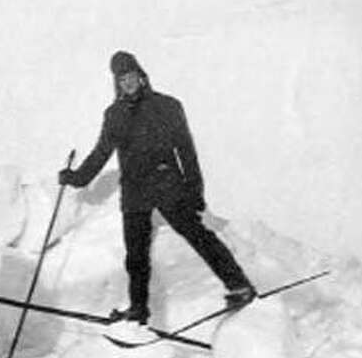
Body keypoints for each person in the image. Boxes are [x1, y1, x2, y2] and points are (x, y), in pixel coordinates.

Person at [58, 50, 255, 324]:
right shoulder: (114, 115)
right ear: (116, 83)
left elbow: (186, 150)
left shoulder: (167, 106)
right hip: (134, 192)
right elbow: (101, 153)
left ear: (141, 75)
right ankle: (138, 310)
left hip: (168, 186)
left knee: (199, 236)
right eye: (121, 79)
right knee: (135, 256)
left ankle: (239, 286)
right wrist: (77, 178)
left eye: (131, 75)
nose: (127, 82)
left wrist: (194, 190)